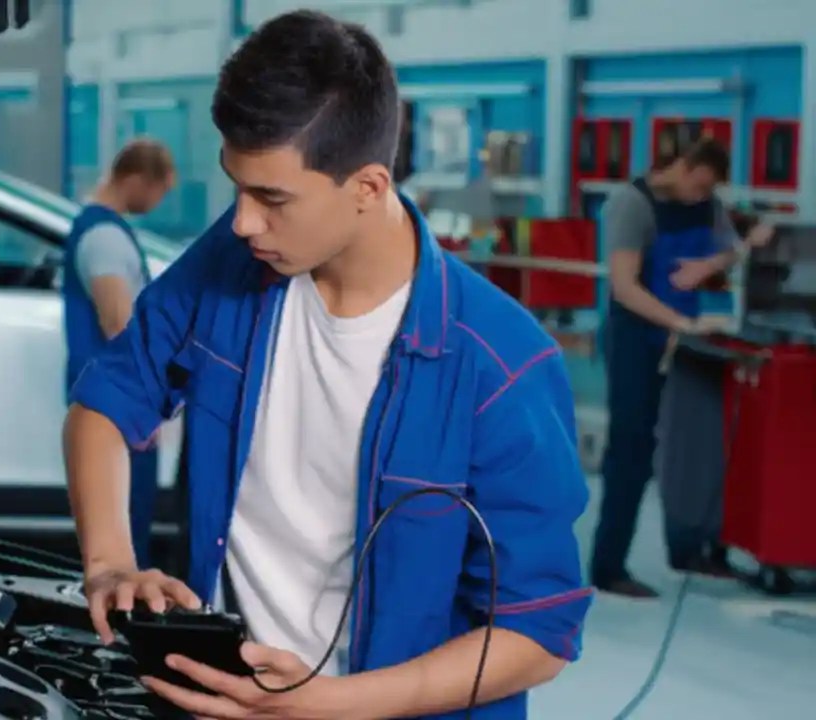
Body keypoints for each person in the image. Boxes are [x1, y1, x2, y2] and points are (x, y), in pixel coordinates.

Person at [63, 11, 591, 720]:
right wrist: (110, 564)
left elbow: (538, 631)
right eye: (238, 188)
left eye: (273, 198)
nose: (245, 220)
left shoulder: (500, 365)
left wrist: (330, 704)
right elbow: (105, 400)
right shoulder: (235, 260)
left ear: (368, 187)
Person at [588, 139, 773, 599]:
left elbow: (730, 249)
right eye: (699, 184)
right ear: (683, 166)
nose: (701, 196)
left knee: (698, 443)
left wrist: (717, 261)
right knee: (631, 450)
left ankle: (691, 549)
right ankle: (608, 565)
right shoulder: (631, 205)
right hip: (637, 338)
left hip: (685, 339)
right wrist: (683, 323)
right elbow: (626, 288)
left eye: (709, 189)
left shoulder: (707, 204)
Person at [63, 138, 175, 570]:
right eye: (159, 191)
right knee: (125, 535)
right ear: (136, 180)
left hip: (113, 402)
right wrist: (142, 408)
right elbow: (118, 324)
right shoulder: (105, 237)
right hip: (119, 408)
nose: (158, 202)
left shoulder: (96, 229)